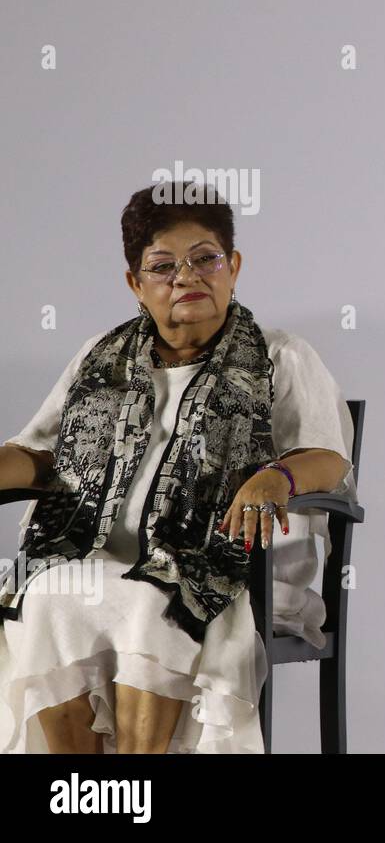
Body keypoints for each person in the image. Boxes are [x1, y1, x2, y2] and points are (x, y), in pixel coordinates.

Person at [0, 181, 355, 753]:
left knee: (154, 597)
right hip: (95, 556)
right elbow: (42, 455)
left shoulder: (280, 355)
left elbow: (328, 457)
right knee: (41, 595)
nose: (186, 278)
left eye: (204, 260)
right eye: (162, 266)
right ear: (135, 285)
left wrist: (277, 478)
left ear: (233, 267)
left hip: (234, 569)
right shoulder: (100, 359)